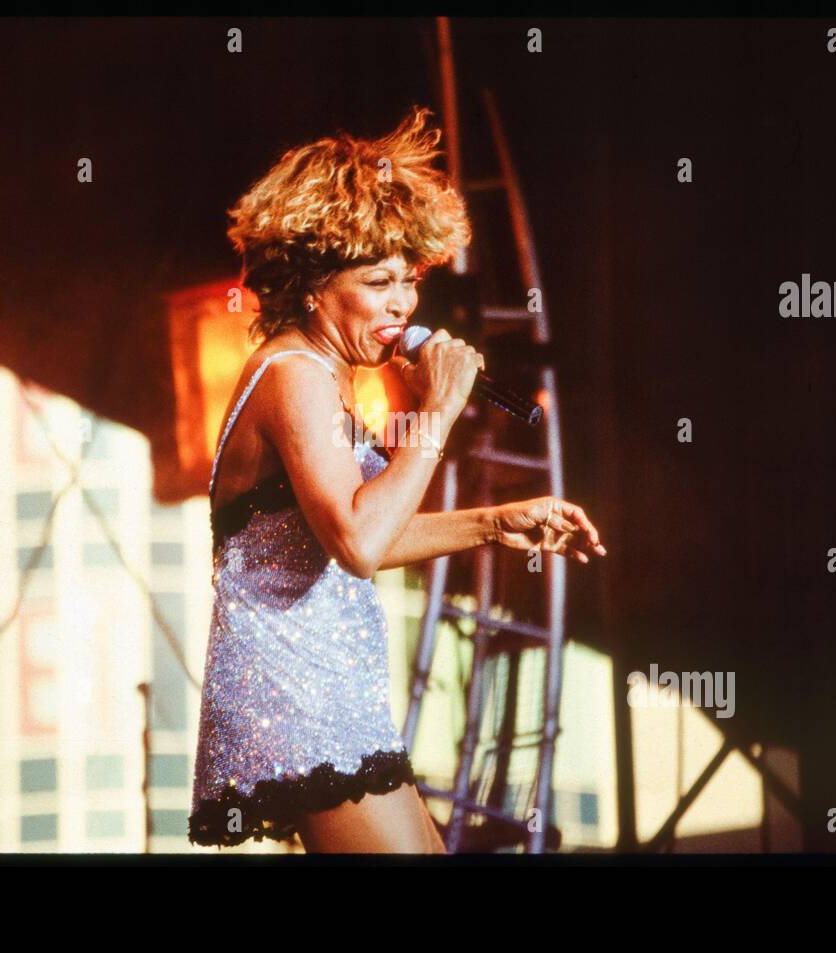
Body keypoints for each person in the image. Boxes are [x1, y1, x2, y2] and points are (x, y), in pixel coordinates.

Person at [187, 106, 606, 853]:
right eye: (379, 282)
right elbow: (356, 540)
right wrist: (439, 411)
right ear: (315, 283)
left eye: (407, 282)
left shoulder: (321, 375)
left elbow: (357, 533)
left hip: (337, 697)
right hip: (300, 697)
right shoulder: (294, 374)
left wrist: (496, 521)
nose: (404, 304)